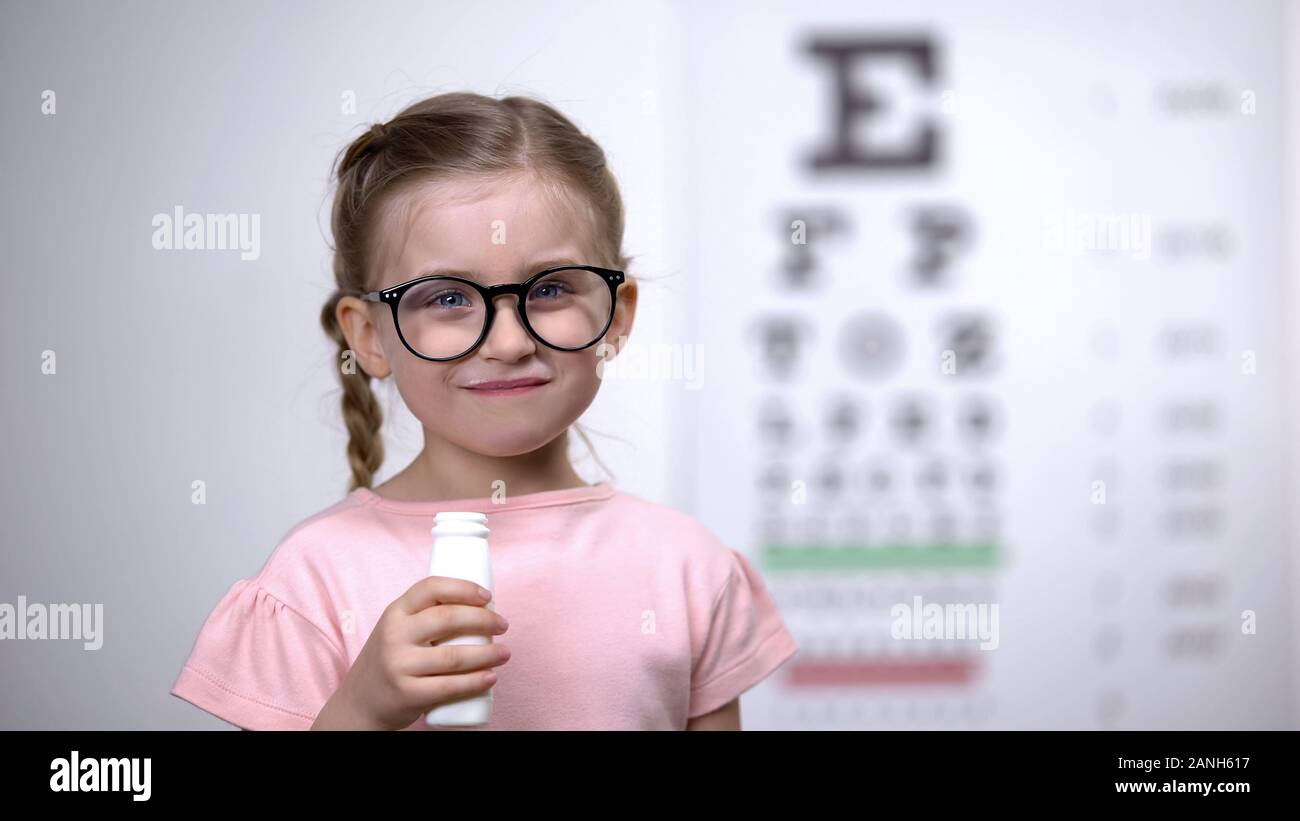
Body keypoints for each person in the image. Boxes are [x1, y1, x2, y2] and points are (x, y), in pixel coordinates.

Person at [169, 91, 798, 730]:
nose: (509, 342)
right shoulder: (315, 576)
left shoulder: (688, 567)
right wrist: (360, 709)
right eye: (446, 298)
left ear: (617, 315)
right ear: (368, 337)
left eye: (550, 289)